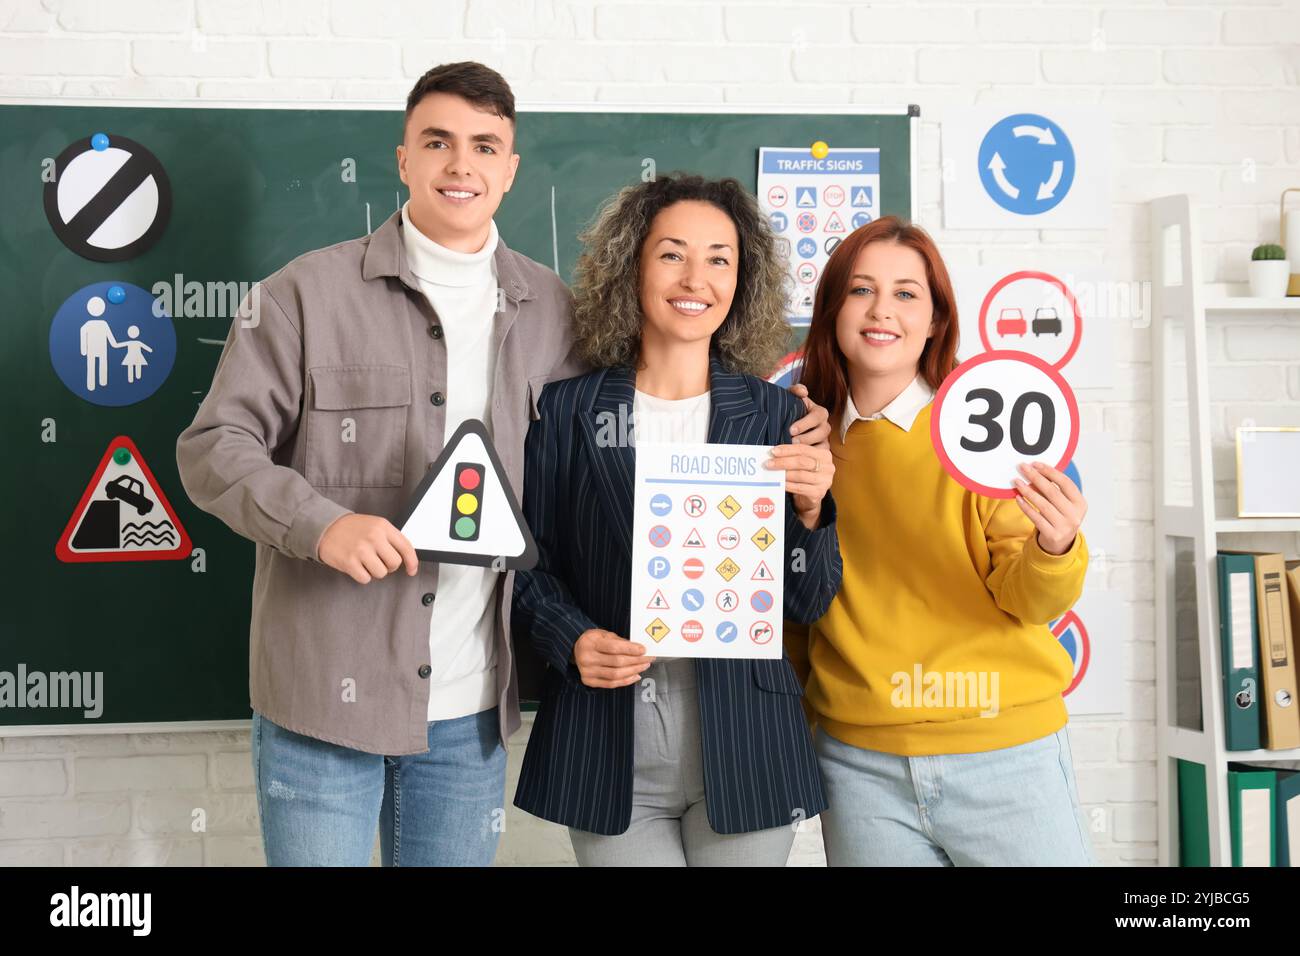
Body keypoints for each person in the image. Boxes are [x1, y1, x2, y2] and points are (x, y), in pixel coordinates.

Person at [176, 62, 832, 867]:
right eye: (438, 142)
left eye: (485, 146)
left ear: (511, 169)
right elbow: (213, 449)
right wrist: (323, 525)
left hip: (470, 713)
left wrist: (800, 492)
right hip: (324, 697)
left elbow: (570, 505)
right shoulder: (301, 295)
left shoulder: (554, 313)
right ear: (404, 157)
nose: (462, 165)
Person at [512, 173, 843, 866]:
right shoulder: (565, 411)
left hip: (746, 735)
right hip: (606, 735)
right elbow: (527, 565)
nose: (696, 276)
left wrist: (812, 512)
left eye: (719, 257)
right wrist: (571, 638)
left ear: (741, 279)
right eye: (671, 253)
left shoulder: (781, 418)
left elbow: (811, 599)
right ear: (631, 264)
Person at [788, 216, 1095, 866]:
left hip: (1004, 753)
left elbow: (1029, 596)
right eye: (861, 290)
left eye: (906, 294)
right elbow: (792, 607)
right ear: (832, 309)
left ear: (935, 320)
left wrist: (1056, 546)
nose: (881, 311)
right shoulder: (800, 441)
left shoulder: (977, 435)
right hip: (858, 764)